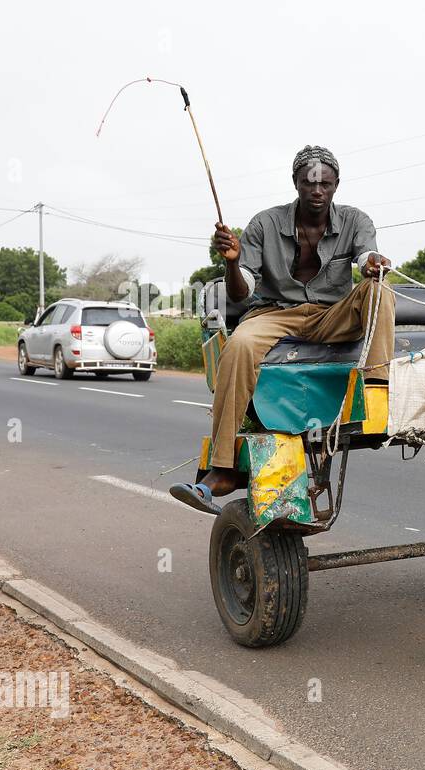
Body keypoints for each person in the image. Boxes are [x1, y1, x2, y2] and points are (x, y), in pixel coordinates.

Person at [171, 145, 395, 514]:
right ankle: (222, 470)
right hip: (275, 312)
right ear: (296, 183)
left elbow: (365, 254)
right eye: (309, 182)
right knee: (240, 344)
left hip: (330, 314)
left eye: (326, 183)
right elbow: (241, 288)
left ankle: (376, 393)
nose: (317, 190)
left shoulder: (356, 220)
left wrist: (373, 263)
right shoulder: (265, 223)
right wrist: (232, 263)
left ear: (337, 185)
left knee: (380, 288)